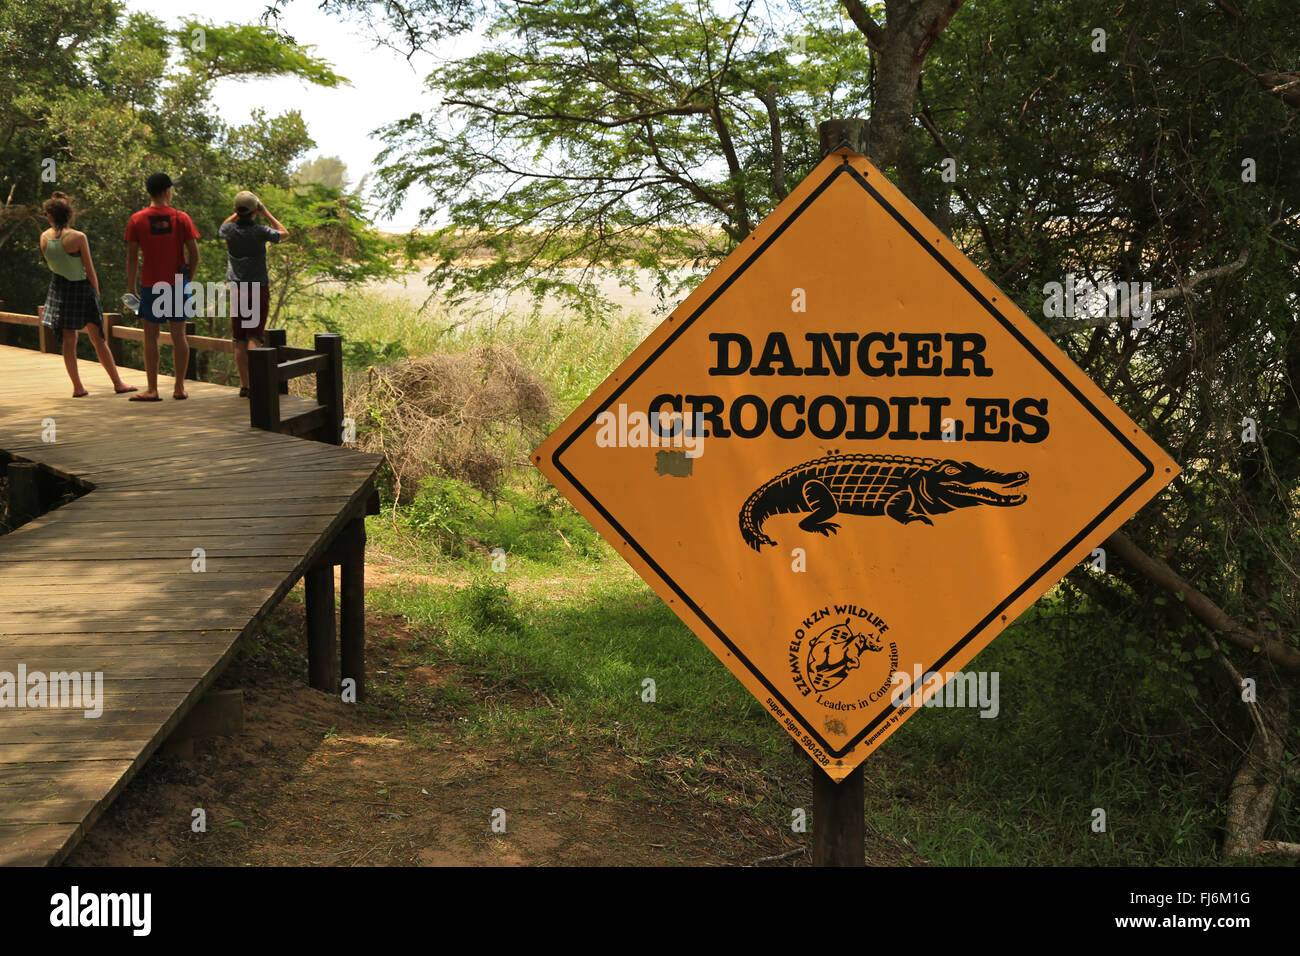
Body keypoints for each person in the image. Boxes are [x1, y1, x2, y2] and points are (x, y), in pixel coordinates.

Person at [37, 192, 137, 397]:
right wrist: (96, 293)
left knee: (68, 340)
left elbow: (54, 264)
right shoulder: (78, 237)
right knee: (98, 338)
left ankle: (77, 387)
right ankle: (118, 383)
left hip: (59, 287)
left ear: (50, 215)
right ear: (68, 214)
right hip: (81, 287)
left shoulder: (44, 237)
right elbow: (90, 271)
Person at [124, 172, 200, 401]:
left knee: (151, 336)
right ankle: (178, 388)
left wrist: (131, 288)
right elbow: (194, 255)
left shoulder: (137, 219)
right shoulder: (181, 218)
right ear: (168, 191)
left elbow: (131, 258)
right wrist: (188, 280)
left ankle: (152, 389)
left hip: (150, 285)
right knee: (179, 336)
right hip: (177, 284)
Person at [219, 191, 288, 397]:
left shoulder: (229, 230)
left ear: (235, 210)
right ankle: (257, 385)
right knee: (254, 337)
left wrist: (236, 213)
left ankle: (245, 385)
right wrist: (265, 212)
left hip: (237, 290)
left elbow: (223, 226)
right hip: (257, 289)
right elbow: (283, 233)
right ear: (255, 210)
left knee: (239, 339)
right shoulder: (260, 231)